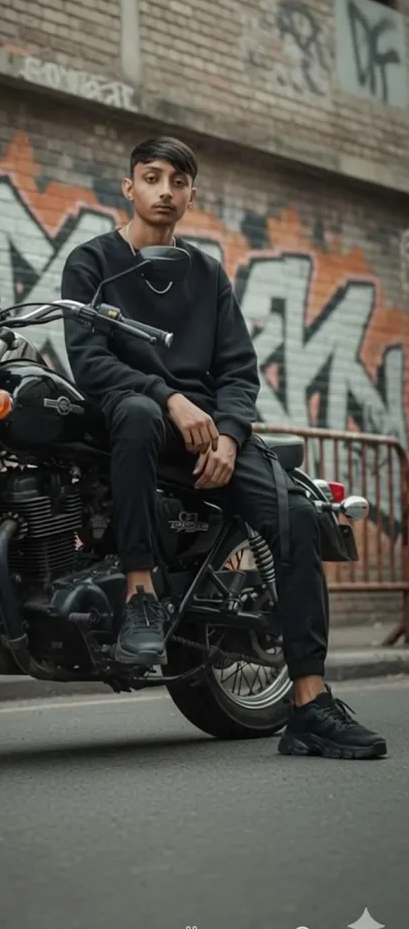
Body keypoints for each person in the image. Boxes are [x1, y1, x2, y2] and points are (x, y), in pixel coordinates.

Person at [61, 136, 387, 760]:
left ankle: (310, 705)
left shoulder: (208, 273)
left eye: (177, 181)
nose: (164, 191)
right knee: (136, 413)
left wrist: (231, 436)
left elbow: (238, 370)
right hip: (136, 426)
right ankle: (140, 596)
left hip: (212, 435)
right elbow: (89, 360)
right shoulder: (92, 261)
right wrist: (169, 398)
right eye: (151, 177)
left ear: (191, 195)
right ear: (128, 187)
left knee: (297, 516)